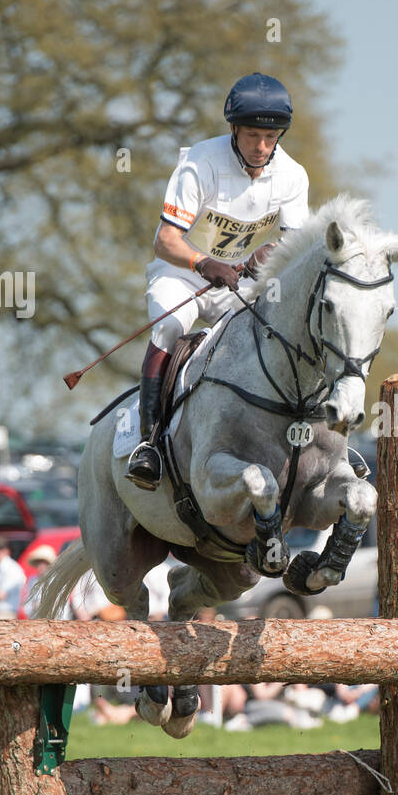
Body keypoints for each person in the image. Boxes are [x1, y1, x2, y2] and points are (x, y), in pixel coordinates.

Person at [126, 72, 310, 490]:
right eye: (251, 136)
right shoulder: (200, 164)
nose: (261, 147)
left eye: (270, 137)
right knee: (171, 326)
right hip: (182, 275)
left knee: (281, 331)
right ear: (233, 129)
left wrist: (271, 253)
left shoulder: (293, 176)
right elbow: (165, 240)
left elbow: (295, 242)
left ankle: (311, 436)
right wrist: (203, 264)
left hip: (238, 283)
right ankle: (149, 443)